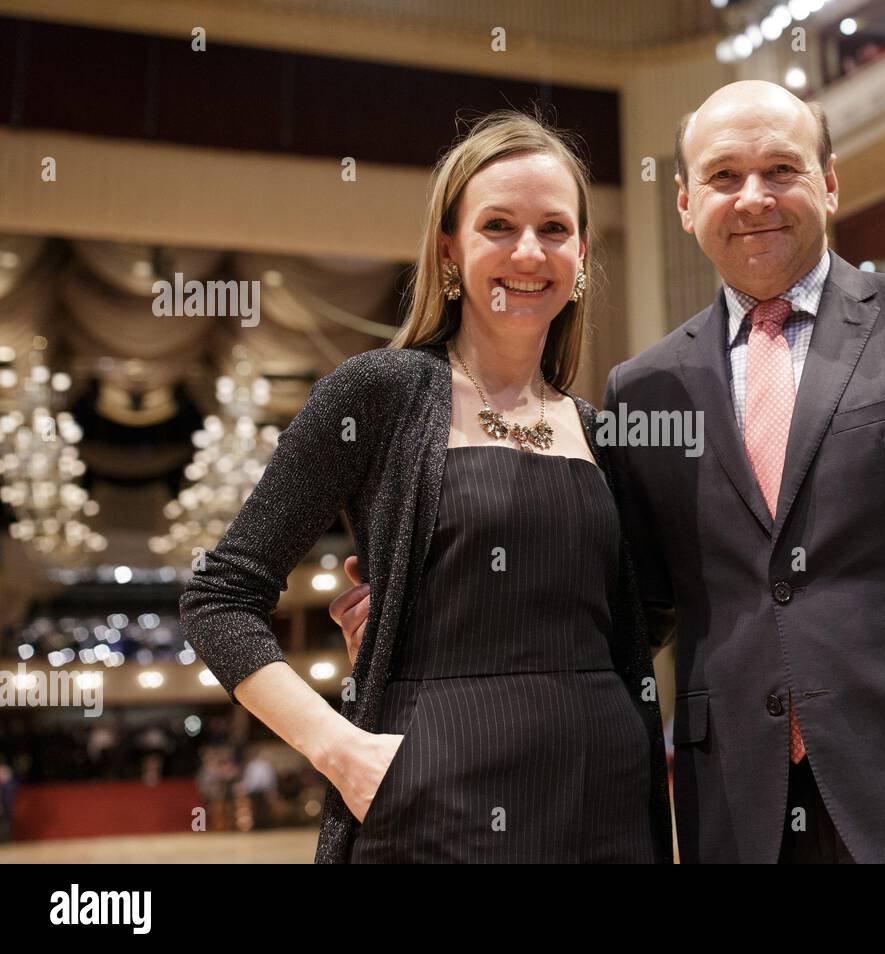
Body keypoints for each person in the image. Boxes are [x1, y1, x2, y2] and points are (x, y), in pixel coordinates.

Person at [337, 80, 885, 864]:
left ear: (830, 183)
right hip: (740, 821)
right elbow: (627, 612)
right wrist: (434, 623)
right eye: (723, 177)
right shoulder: (643, 389)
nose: (753, 198)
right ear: (684, 203)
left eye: (781, 170)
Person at [180, 111, 672, 864]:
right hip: (433, 807)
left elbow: (645, 612)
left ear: (580, 259)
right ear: (450, 251)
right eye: (498, 225)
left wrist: (433, 601)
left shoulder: (600, 430)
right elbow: (219, 597)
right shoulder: (380, 393)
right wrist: (340, 749)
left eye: (555, 229)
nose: (529, 252)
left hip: (606, 807)